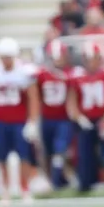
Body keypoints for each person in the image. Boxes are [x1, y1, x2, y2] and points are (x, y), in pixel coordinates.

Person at [0, 38, 40, 204]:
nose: (6, 60)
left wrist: (32, 122)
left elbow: (33, 98)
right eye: (3, 57)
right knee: (2, 156)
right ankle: (5, 190)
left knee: (24, 156)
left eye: (9, 57)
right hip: (1, 121)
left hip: (20, 120)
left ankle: (24, 188)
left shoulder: (24, 72)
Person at [68, 43, 104, 195]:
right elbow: (72, 100)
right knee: (84, 153)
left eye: (94, 59)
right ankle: (86, 183)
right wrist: (78, 117)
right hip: (85, 120)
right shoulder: (77, 76)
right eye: (88, 59)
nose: (91, 62)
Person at [35, 39, 75, 191]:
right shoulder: (42, 75)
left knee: (60, 149)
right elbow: (36, 95)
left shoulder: (70, 74)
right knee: (48, 151)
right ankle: (53, 179)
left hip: (63, 118)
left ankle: (57, 180)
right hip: (46, 118)